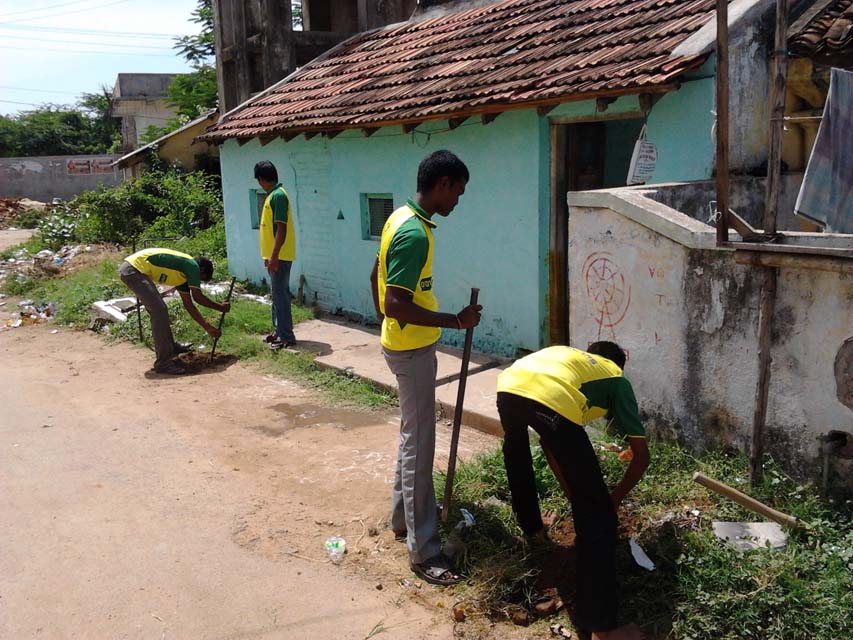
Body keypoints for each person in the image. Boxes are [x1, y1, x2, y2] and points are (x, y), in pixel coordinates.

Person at [369, 150, 482, 586]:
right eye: (459, 192)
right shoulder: (414, 233)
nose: (458, 201)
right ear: (443, 184)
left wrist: (385, 322)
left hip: (403, 344)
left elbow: (376, 274)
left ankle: (403, 520)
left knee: (411, 433)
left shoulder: (399, 218)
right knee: (420, 446)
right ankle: (425, 552)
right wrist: (456, 320)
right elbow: (395, 302)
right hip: (412, 351)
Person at [496, 341, 651, 640]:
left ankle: (533, 529)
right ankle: (603, 629)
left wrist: (576, 494)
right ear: (618, 364)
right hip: (548, 397)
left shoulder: (571, 361)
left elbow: (552, 445)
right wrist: (610, 501)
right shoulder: (616, 376)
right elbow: (641, 456)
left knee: (517, 453)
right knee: (599, 521)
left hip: (509, 386)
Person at [119, 248, 230, 375]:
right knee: (159, 312)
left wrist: (207, 327)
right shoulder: (192, 265)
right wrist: (220, 307)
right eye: (200, 278)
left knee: (160, 310)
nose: (196, 281)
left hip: (135, 270)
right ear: (202, 270)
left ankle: (171, 348)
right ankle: (163, 363)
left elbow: (189, 305)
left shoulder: (182, 277)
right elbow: (198, 297)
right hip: (133, 270)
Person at [254, 160, 297, 350]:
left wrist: (274, 256)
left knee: (280, 295)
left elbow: (281, 229)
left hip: (280, 255)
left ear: (261, 179)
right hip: (274, 255)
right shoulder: (273, 195)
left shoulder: (278, 196)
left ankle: (286, 335)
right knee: (277, 294)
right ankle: (279, 331)